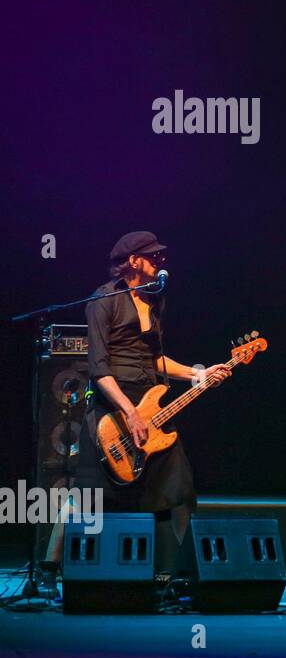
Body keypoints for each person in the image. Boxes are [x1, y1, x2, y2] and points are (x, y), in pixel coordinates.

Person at [67, 231, 230, 567]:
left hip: (150, 405)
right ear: (133, 261)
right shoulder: (103, 299)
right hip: (113, 408)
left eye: (161, 257)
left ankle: (182, 575)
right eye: (153, 257)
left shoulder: (156, 299)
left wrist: (197, 374)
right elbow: (99, 368)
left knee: (179, 489)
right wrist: (129, 413)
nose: (160, 262)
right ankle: (63, 571)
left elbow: (155, 358)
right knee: (92, 500)